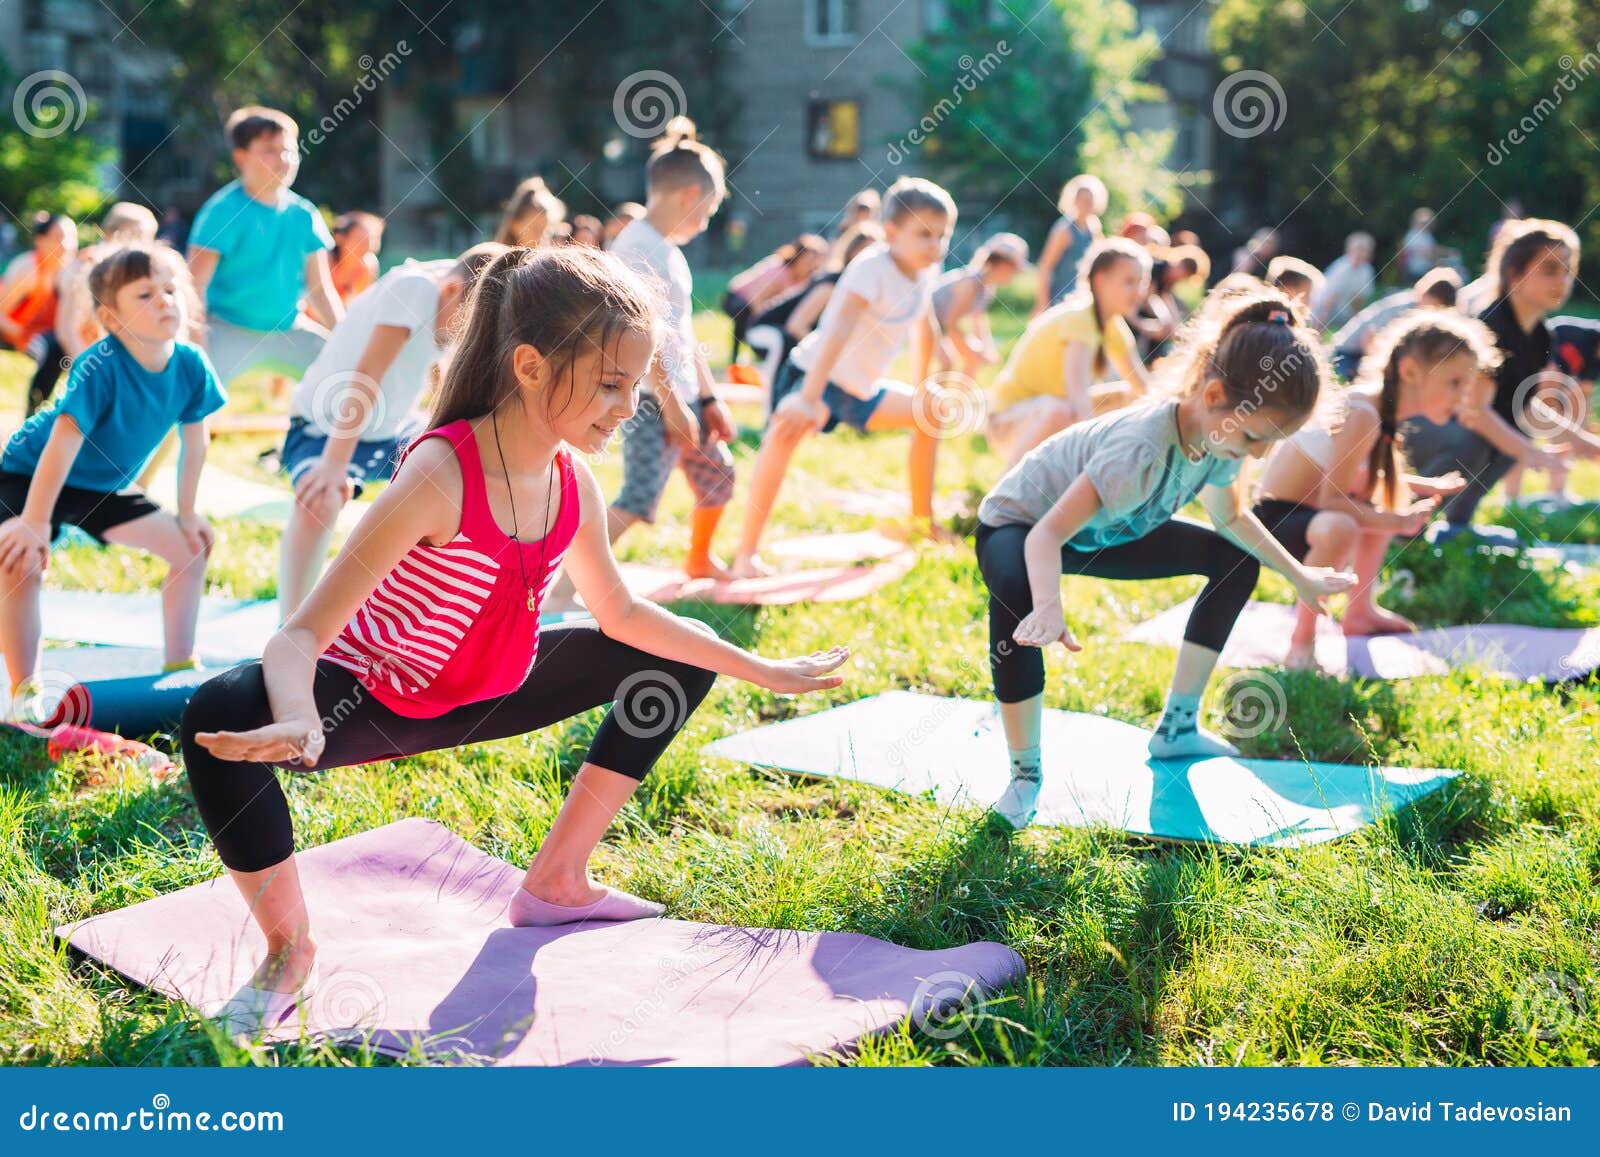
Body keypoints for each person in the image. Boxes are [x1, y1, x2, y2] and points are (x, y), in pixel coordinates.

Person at [178, 245, 849, 1029]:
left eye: (635, 385)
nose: (629, 405)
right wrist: (296, 713)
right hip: (378, 700)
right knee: (209, 714)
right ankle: (290, 946)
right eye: (609, 383)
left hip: (495, 691)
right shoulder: (439, 475)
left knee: (676, 654)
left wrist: (759, 668)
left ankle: (558, 879)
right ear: (529, 366)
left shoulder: (574, 481)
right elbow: (297, 638)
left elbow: (623, 614)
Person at [973, 290, 1356, 829]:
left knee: (1234, 560)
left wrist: (1300, 576)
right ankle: (1024, 775)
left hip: (1103, 533)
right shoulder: (1142, 447)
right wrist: (1049, 606)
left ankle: (1177, 727)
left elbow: (1234, 520)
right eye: (1254, 437)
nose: (1258, 454)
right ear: (1214, 394)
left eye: (1272, 442)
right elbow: (1046, 535)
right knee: (1017, 602)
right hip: (1019, 527)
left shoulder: (1217, 442)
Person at [0, 244, 225, 713]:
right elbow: (62, 444)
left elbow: (196, 442)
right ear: (112, 317)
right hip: (30, 477)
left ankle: (179, 667)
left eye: (169, 289)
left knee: (192, 547)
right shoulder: (99, 364)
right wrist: (36, 521)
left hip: (104, 488)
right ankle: (26, 692)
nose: (164, 301)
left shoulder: (190, 364)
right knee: (20, 560)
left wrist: (186, 513)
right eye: (145, 294)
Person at [732, 176, 962, 574]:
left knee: (932, 413)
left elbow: (924, 328)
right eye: (924, 234)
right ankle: (745, 554)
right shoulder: (871, 268)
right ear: (891, 232)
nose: (935, 246)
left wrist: (925, 384)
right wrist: (808, 397)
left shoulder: (924, 272)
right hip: (817, 376)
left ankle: (921, 523)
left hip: (860, 389)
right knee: (784, 434)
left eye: (942, 235)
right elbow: (836, 331)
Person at [1254, 312, 1498, 668]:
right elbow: (1332, 498)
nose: (1463, 396)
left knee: (1380, 508)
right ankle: (1301, 644)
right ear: (1411, 371)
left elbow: (1362, 478)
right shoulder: (1364, 414)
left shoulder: (1379, 412)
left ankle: (1360, 613)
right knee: (1347, 524)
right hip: (1274, 522)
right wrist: (1397, 520)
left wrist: (1420, 491)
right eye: (1455, 382)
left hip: (1306, 517)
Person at [277, 243, 509, 617]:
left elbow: (439, 376)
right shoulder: (415, 289)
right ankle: (291, 624)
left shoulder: (459, 291)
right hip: (327, 429)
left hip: (388, 432)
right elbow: (368, 374)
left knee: (464, 471)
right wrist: (335, 465)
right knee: (320, 500)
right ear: (451, 291)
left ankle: (411, 607)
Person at [593, 117, 738, 582]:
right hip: (651, 401)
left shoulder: (670, 251)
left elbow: (683, 331)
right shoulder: (636, 246)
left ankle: (698, 560)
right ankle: (565, 585)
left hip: (685, 397)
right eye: (708, 211)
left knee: (717, 477)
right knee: (638, 498)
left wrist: (709, 399)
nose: (705, 223)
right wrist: (673, 406)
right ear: (690, 197)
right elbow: (639, 333)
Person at [1402, 219, 1600, 533]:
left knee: (1512, 439)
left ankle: (1457, 526)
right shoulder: (1491, 325)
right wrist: (1530, 452)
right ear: (1515, 274)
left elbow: (1528, 404)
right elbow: (1474, 412)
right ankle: (1405, 526)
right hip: (1423, 428)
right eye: (1549, 269)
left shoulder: (1541, 336)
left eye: (1568, 270)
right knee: (1486, 442)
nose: (1562, 280)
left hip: (1464, 430)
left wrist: (1586, 442)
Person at [187, 107, 342, 388]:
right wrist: (199, 348)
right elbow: (194, 288)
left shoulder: (304, 215)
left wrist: (347, 339)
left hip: (288, 330)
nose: (283, 160)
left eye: (289, 150)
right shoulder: (221, 212)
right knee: (193, 394)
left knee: (347, 376)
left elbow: (320, 289)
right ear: (241, 157)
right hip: (227, 329)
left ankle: (314, 431)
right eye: (270, 150)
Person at [984, 238, 1153, 467]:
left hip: (1048, 412)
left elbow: (1143, 388)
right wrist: (1096, 454)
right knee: (1060, 410)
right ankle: (1006, 493)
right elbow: (1078, 397)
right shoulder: (1079, 319)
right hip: (1008, 422)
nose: (1138, 291)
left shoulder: (1114, 326)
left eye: (1141, 282)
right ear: (1101, 281)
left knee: (1127, 395)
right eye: (1129, 282)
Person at [743, 223, 884, 396]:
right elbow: (796, 325)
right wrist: (825, 350)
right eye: (864, 251)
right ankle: (772, 404)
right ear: (851, 253)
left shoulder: (865, 292)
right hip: (766, 328)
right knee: (782, 344)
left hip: (791, 338)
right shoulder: (832, 284)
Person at [1, 213, 80, 417]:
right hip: (13, 335)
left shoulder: (71, 272)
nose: (67, 244)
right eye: (59, 237)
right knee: (51, 348)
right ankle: (33, 411)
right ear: (40, 240)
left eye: (72, 237)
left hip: (44, 336)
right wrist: (22, 337)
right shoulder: (26, 268)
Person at [1327, 267, 1460, 381]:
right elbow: (1369, 338)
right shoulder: (1402, 308)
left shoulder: (1420, 312)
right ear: (1425, 295)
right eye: (1434, 307)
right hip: (1347, 353)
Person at [930, 232, 1028, 376]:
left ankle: (960, 396)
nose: (1015, 274)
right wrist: (969, 349)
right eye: (1014, 269)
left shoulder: (987, 286)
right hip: (926, 319)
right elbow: (950, 323)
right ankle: (929, 397)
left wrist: (987, 349)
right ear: (1000, 264)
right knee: (948, 361)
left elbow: (978, 321)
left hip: (940, 325)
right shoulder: (971, 283)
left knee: (975, 359)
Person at [722, 235, 827, 363]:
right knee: (745, 316)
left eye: (813, 263)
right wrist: (761, 321)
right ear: (797, 257)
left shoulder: (803, 278)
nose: (809, 266)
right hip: (737, 296)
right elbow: (756, 298)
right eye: (806, 261)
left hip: (754, 299)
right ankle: (736, 357)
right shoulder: (780, 271)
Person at [1034, 174, 1106, 313]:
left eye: (1089, 200)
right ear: (1073, 200)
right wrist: (1042, 302)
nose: (1086, 204)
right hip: (1059, 294)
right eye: (1082, 199)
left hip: (1080, 294)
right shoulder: (1064, 229)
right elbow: (1045, 266)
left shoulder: (1094, 227)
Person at [1311, 232, 1376, 329]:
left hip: (1342, 310)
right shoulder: (1342, 268)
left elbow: (1358, 302)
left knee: (1365, 324)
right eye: (1358, 249)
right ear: (1349, 250)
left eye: (1364, 250)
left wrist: (1357, 325)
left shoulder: (1367, 271)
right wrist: (1318, 329)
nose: (1360, 254)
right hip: (1321, 307)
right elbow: (1329, 301)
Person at [327, 211, 385, 305]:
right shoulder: (325, 261)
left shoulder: (369, 266)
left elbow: (357, 305)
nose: (368, 246)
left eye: (372, 239)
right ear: (339, 238)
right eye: (359, 239)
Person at [494, 176, 567, 248]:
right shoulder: (497, 256)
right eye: (536, 229)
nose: (541, 238)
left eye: (546, 230)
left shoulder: (546, 257)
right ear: (514, 224)